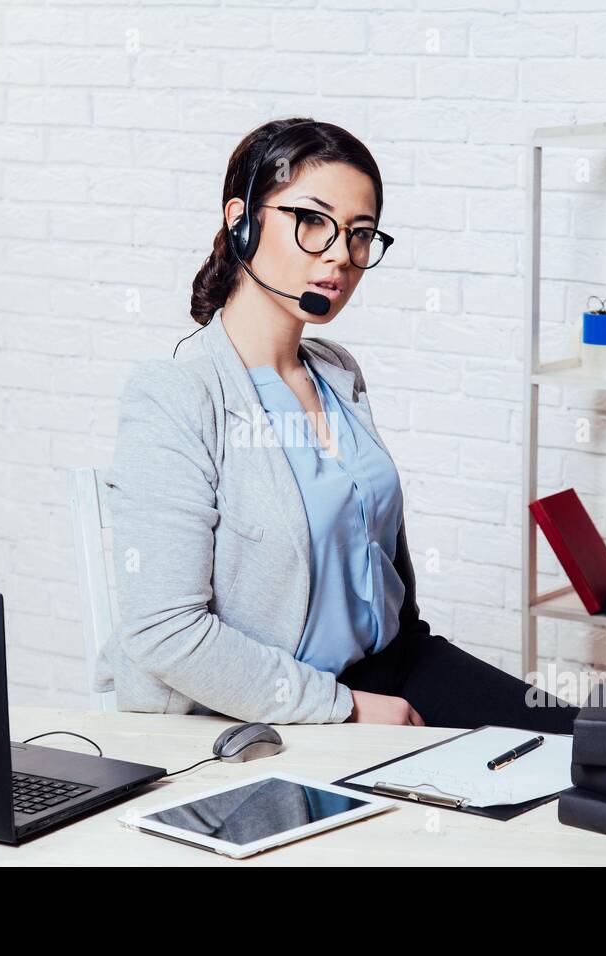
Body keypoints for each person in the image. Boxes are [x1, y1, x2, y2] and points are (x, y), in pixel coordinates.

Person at [92, 117, 577, 732]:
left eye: (360, 234)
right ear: (242, 219)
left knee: (595, 747)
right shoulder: (177, 396)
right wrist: (345, 708)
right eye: (313, 221)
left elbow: (377, 554)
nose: (339, 257)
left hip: (390, 664)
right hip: (259, 708)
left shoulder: (336, 371)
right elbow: (162, 628)